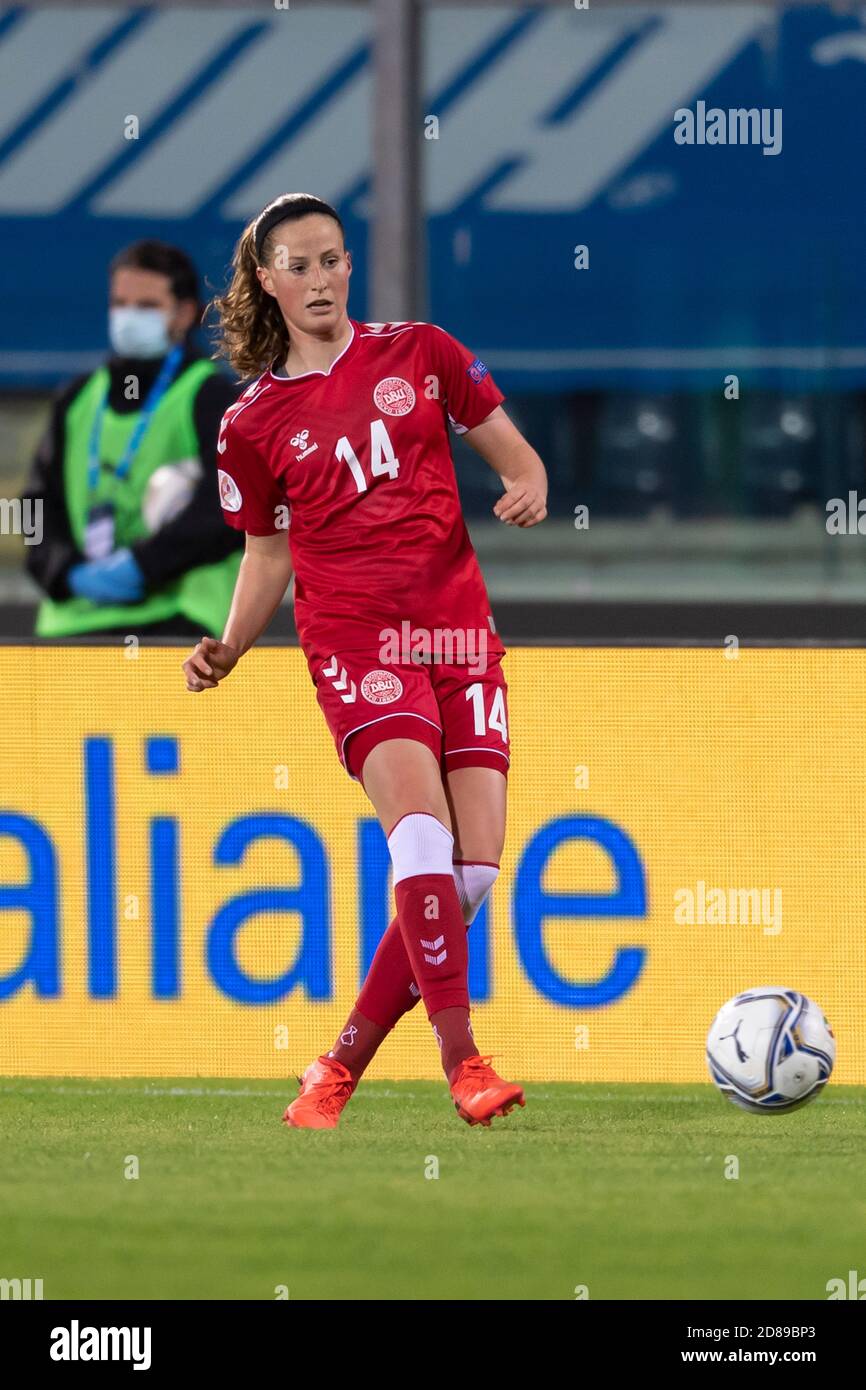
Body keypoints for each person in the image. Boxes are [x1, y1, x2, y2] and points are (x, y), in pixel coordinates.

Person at [183, 192, 548, 1128]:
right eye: (298, 266)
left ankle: (336, 1068)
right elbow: (267, 554)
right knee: (419, 836)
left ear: (352, 267)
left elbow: (513, 452)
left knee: (472, 873)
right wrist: (231, 645)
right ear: (266, 282)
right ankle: (464, 1064)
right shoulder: (251, 423)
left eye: (333, 260)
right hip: (355, 641)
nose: (319, 280)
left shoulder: (420, 352)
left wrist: (528, 483)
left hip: (457, 634)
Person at [20, 240, 244, 639]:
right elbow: (35, 505)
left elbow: (229, 507)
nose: (128, 316)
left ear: (185, 313)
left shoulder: (211, 398)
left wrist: (144, 566)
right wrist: (61, 570)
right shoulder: (76, 399)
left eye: (146, 306)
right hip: (72, 623)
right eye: (120, 303)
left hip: (179, 620)